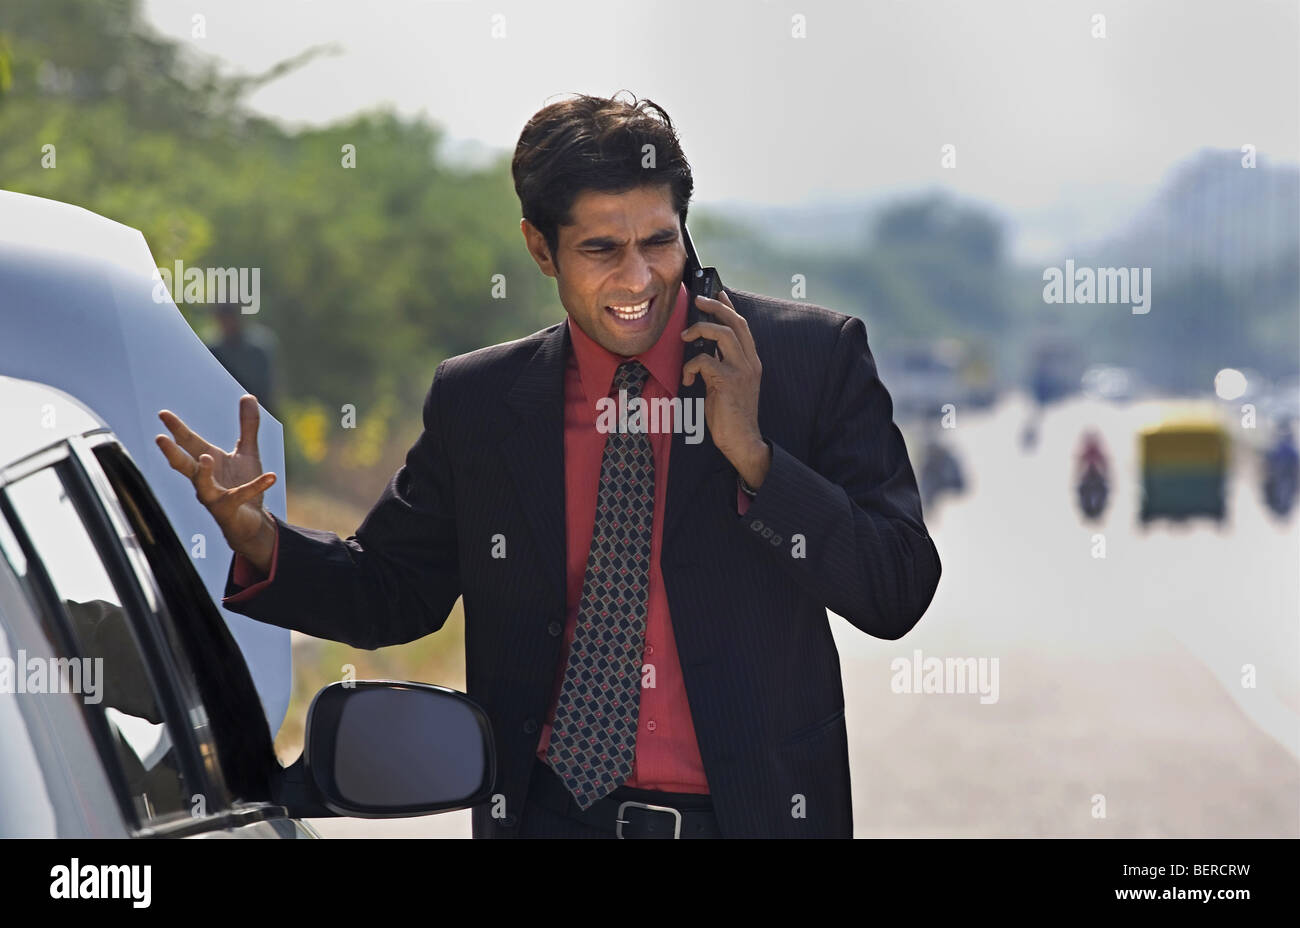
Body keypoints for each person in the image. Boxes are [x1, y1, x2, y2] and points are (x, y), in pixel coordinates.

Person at [155, 93, 941, 839]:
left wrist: (760, 462)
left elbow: (897, 588)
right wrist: (262, 539)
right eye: (602, 249)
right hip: (553, 821)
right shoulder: (483, 400)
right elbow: (392, 591)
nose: (638, 279)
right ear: (540, 247)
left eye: (659, 242)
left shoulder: (810, 361)